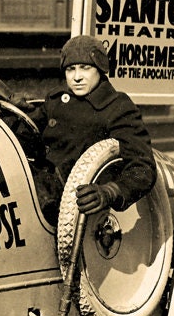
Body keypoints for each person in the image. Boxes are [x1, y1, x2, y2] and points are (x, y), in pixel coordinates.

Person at [27, 35, 157, 221]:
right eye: (71, 69)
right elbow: (28, 133)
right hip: (40, 190)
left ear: (100, 69)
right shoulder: (55, 101)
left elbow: (143, 166)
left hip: (78, 204)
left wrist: (110, 191)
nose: (77, 77)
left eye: (85, 68)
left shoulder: (117, 107)